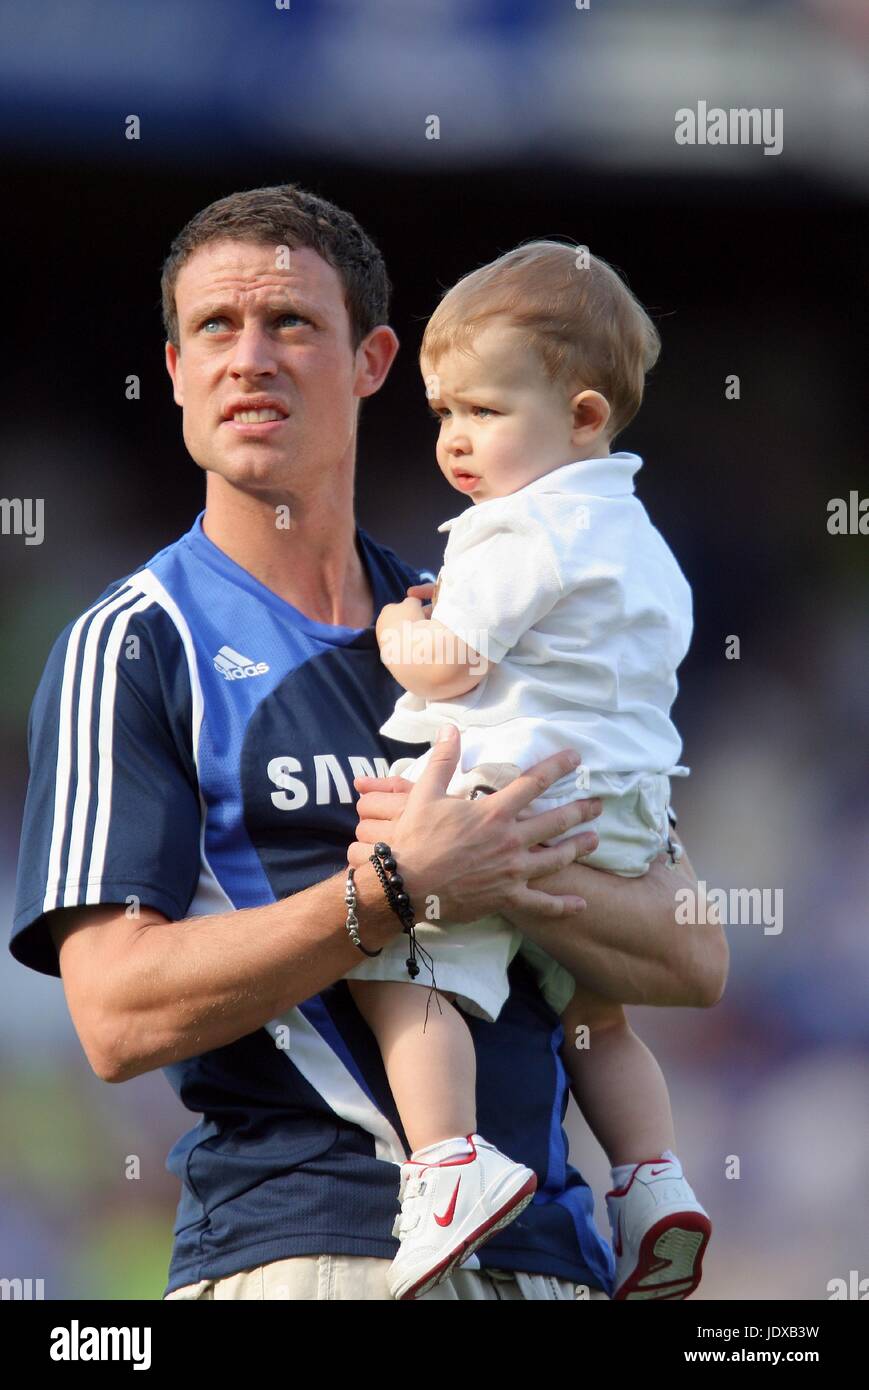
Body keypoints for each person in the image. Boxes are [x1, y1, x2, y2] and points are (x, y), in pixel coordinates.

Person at [9, 184, 728, 1302]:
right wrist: (391, 889)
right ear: (176, 369)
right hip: (305, 1251)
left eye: (291, 323)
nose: (249, 357)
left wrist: (497, 871)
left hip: (555, 1262)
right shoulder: (135, 645)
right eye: (215, 327)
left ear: (373, 360)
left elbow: (689, 955)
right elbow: (114, 1013)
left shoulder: (474, 618)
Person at [344, 241, 712, 1301]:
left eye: (484, 413)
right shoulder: (638, 537)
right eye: (442, 414)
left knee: (403, 957)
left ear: (584, 417)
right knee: (596, 1018)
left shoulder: (523, 529)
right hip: (626, 816)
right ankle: (651, 1179)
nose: (455, 441)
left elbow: (453, 661)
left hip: (504, 794)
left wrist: (391, 627)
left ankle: (448, 1163)